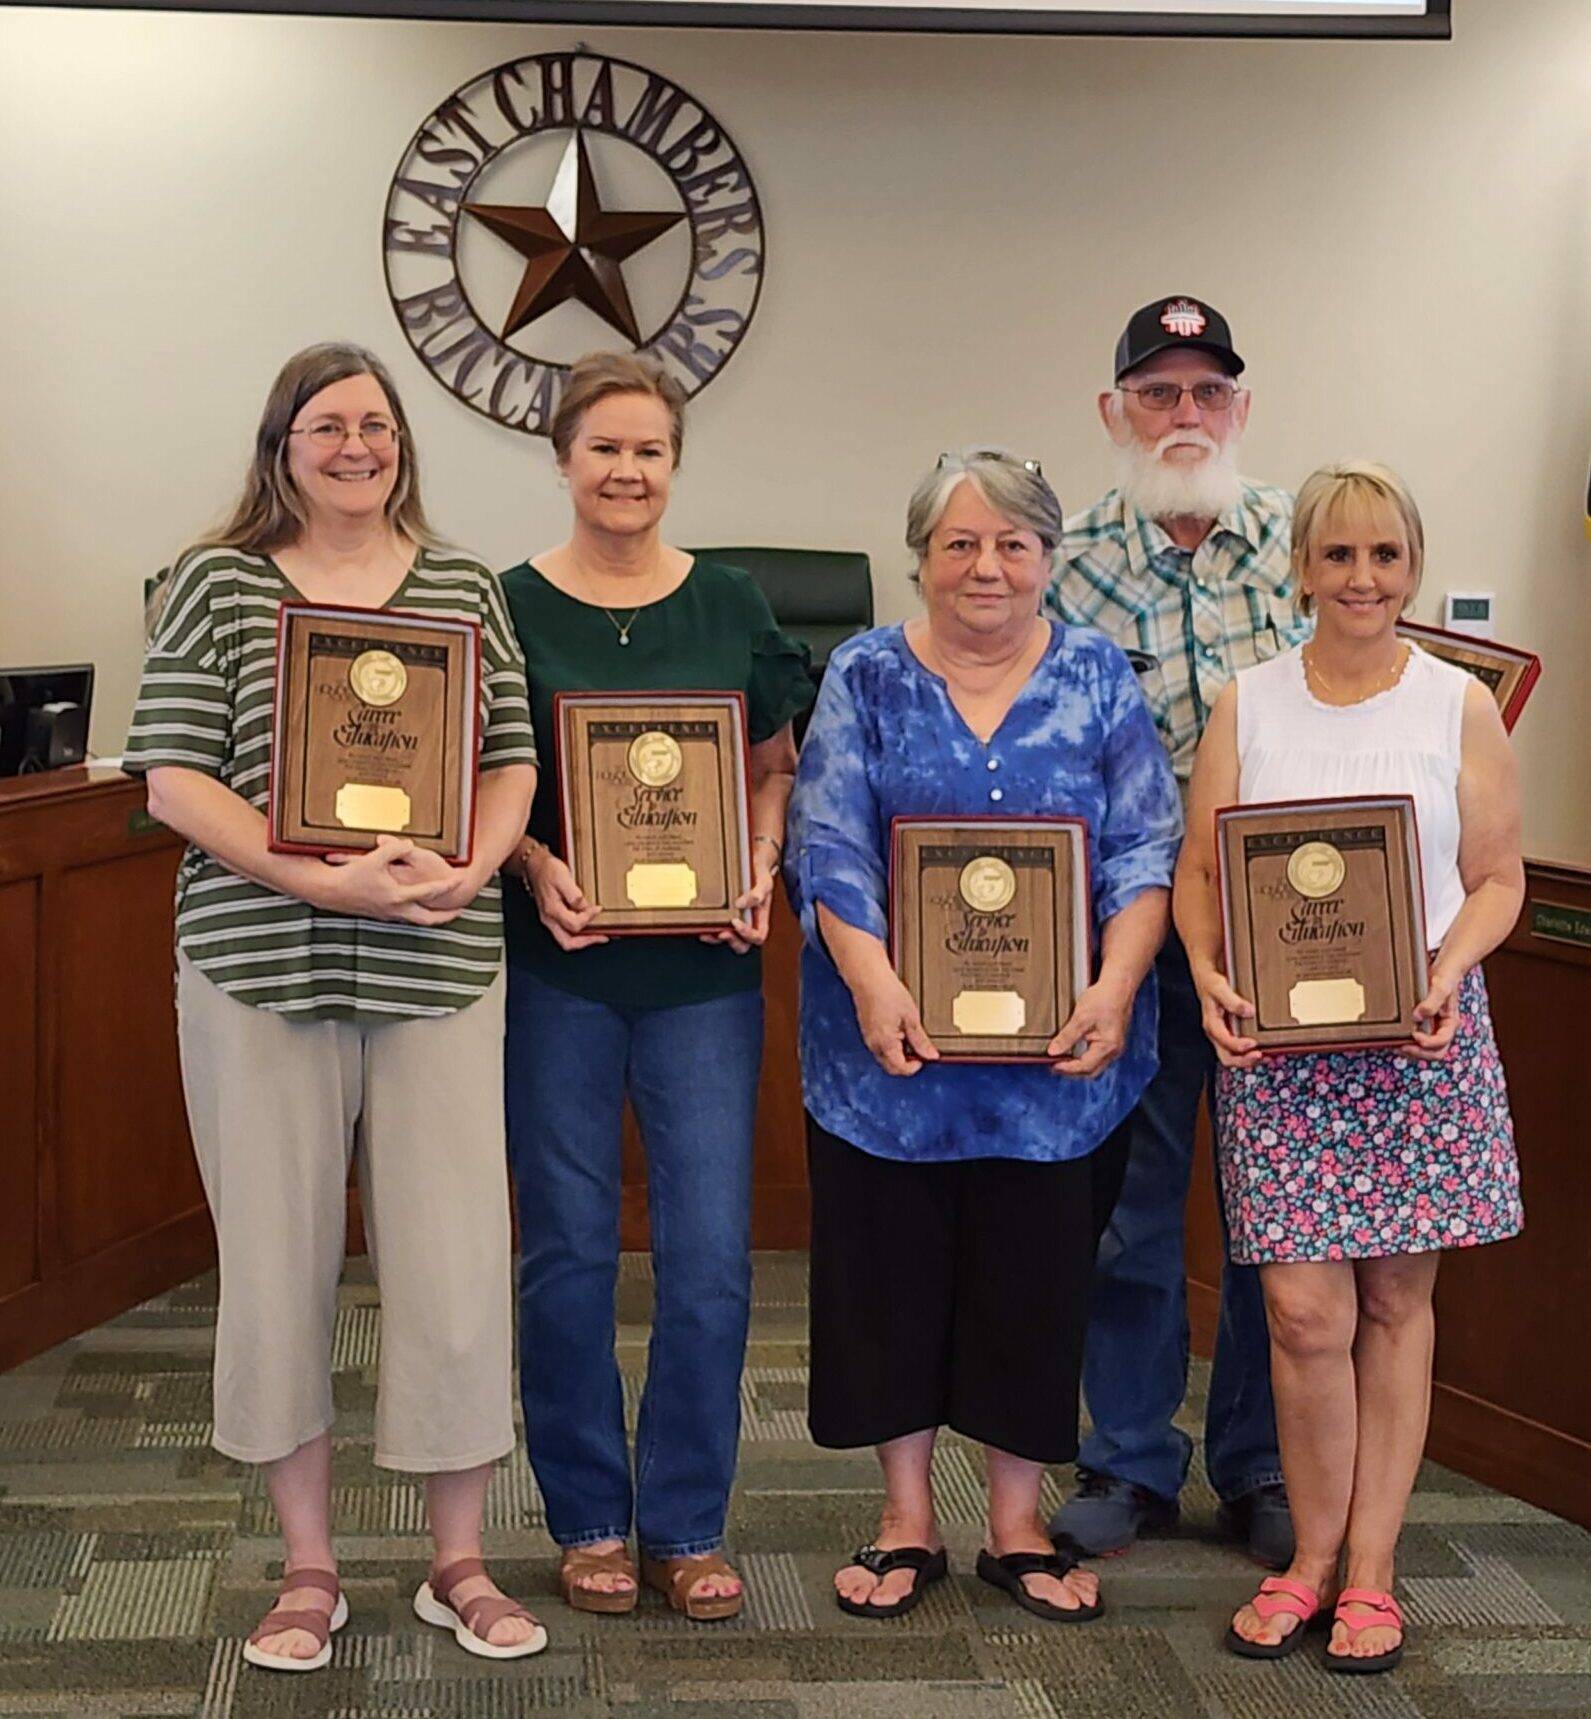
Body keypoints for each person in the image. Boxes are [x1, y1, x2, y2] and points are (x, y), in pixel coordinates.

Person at [122, 343, 543, 1669]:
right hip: (259, 963)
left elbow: (512, 756)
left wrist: (472, 865)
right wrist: (318, 872)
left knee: (456, 1261)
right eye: (324, 424)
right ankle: (307, 1565)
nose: (353, 443)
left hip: (434, 961)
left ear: (400, 443)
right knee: (275, 1260)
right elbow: (172, 780)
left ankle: (457, 1559)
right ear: (281, 446)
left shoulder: (463, 583)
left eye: (373, 423)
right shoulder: (218, 579)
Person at [785, 449, 1181, 1623]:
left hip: (1054, 1068)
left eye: (1012, 543)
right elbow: (829, 841)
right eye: (959, 543)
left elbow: (1145, 850)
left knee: (1035, 1283)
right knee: (887, 1282)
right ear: (920, 557)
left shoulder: (1100, 676)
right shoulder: (862, 673)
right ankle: (907, 1518)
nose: (986, 567)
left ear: (1048, 558)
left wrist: (1114, 988)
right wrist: (867, 978)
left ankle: (1016, 1523)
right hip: (888, 1055)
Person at [1176, 460, 1524, 1672]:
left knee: (1392, 1303)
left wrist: (1445, 967)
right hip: (1280, 1055)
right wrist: (1210, 973)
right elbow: (1201, 876)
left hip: (1419, 1041)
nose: (1361, 577)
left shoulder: (1455, 705)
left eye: (1384, 555)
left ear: (1410, 567)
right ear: (1301, 570)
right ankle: (1308, 1556)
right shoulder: (1249, 702)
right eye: (1337, 555)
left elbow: (1496, 880)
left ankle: (1370, 1568)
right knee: (1300, 1310)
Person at [498, 351, 812, 1622]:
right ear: (562, 459)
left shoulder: (731, 600)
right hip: (559, 970)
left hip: (701, 979)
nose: (627, 473)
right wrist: (528, 863)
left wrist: (762, 854)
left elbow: (773, 764)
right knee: (565, 1253)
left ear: (673, 467)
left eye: (650, 452)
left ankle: (684, 1522)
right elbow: (486, 779)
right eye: (605, 449)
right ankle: (585, 1518)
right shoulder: (506, 604)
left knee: (705, 1259)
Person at [1045, 297, 1307, 1566]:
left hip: (1283, 951)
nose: (1186, 415)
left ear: (1241, 410)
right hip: (1131, 946)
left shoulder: (1302, 550)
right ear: (1115, 414)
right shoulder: (1065, 558)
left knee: (1274, 1218)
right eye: (1159, 394)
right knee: (1133, 1215)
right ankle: (1129, 1459)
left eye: (1208, 393)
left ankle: (1259, 1464)